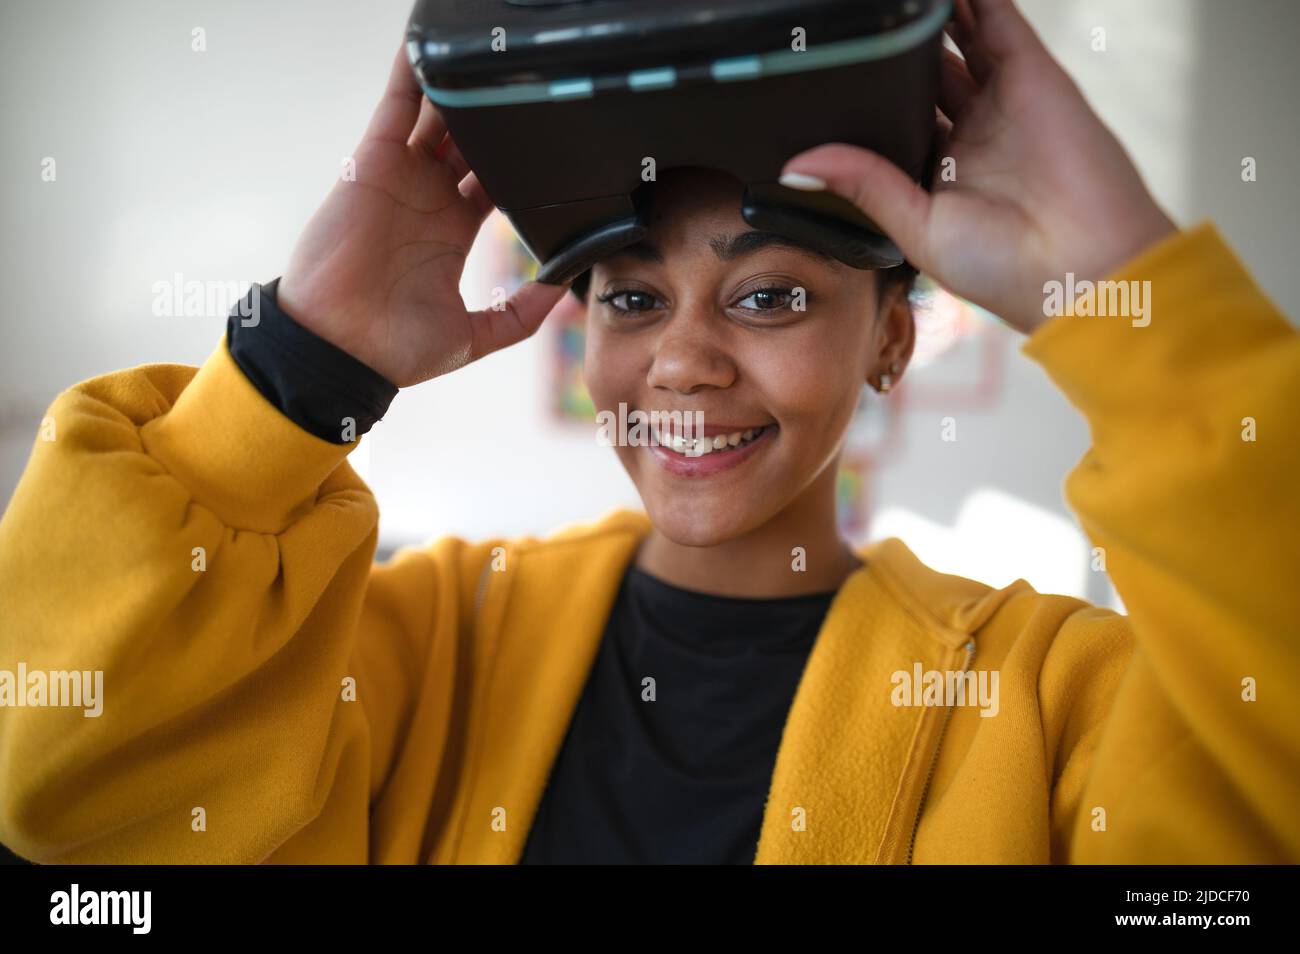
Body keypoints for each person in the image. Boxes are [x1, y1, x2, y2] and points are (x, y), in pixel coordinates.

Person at [0, 0, 1296, 864]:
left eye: (771, 293)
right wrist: (294, 363)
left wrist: (1122, 288)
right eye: (630, 297)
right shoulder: (429, 635)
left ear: (894, 339)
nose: (680, 355)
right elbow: (72, 786)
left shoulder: (1050, 690)